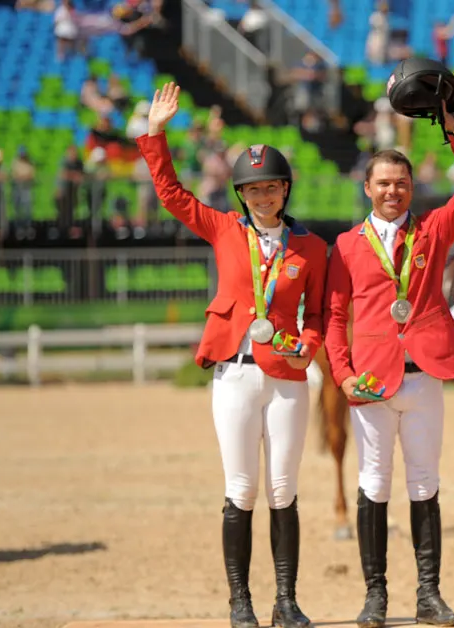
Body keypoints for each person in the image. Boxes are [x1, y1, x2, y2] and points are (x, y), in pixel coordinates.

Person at [137, 82, 327, 628]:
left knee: (284, 490)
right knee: (241, 489)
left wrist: (308, 347)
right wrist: (156, 134)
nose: (263, 196)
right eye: (253, 189)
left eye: (272, 187)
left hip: (288, 377)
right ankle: (240, 602)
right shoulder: (223, 229)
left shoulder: (312, 248)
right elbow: (172, 195)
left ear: (285, 190)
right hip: (235, 376)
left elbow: (318, 314)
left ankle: (286, 602)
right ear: (241, 194)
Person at [323, 101, 454, 628]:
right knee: (373, 483)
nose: (392, 191)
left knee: (425, 483)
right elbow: (334, 317)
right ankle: (375, 597)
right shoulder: (346, 246)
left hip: (423, 378)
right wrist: (343, 373)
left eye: (401, 183)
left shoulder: (433, 231)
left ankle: (428, 595)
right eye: (383, 184)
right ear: (367, 188)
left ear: (412, 187)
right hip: (371, 380)